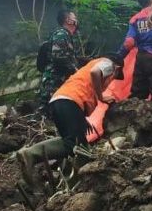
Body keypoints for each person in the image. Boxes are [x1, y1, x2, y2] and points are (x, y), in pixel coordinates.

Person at [18, 54, 124, 184]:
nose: (111, 81)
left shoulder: (89, 66)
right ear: (117, 68)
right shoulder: (109, 63)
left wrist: (82, 119)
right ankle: (31, 154)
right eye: (114, 78)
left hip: (61, 101)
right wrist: (101, 97)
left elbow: (82, 85)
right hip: (69, 102)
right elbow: (95, 72)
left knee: (76, 144)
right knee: (76, 146)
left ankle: (75, 181)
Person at [118, 0, 152, 100]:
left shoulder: (135, 19)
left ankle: (132, 114)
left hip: (141, 58)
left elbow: (129, 43)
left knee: (138, 94)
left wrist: (117, 57)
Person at [38, 9, 82, 111]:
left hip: (60, 84)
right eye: (74, 18)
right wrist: (75, 70)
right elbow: (58, 57)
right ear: (69, 21)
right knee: (51, 114)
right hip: (54, 83)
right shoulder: (61, 34)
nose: (76, 20)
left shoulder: (67, 36)